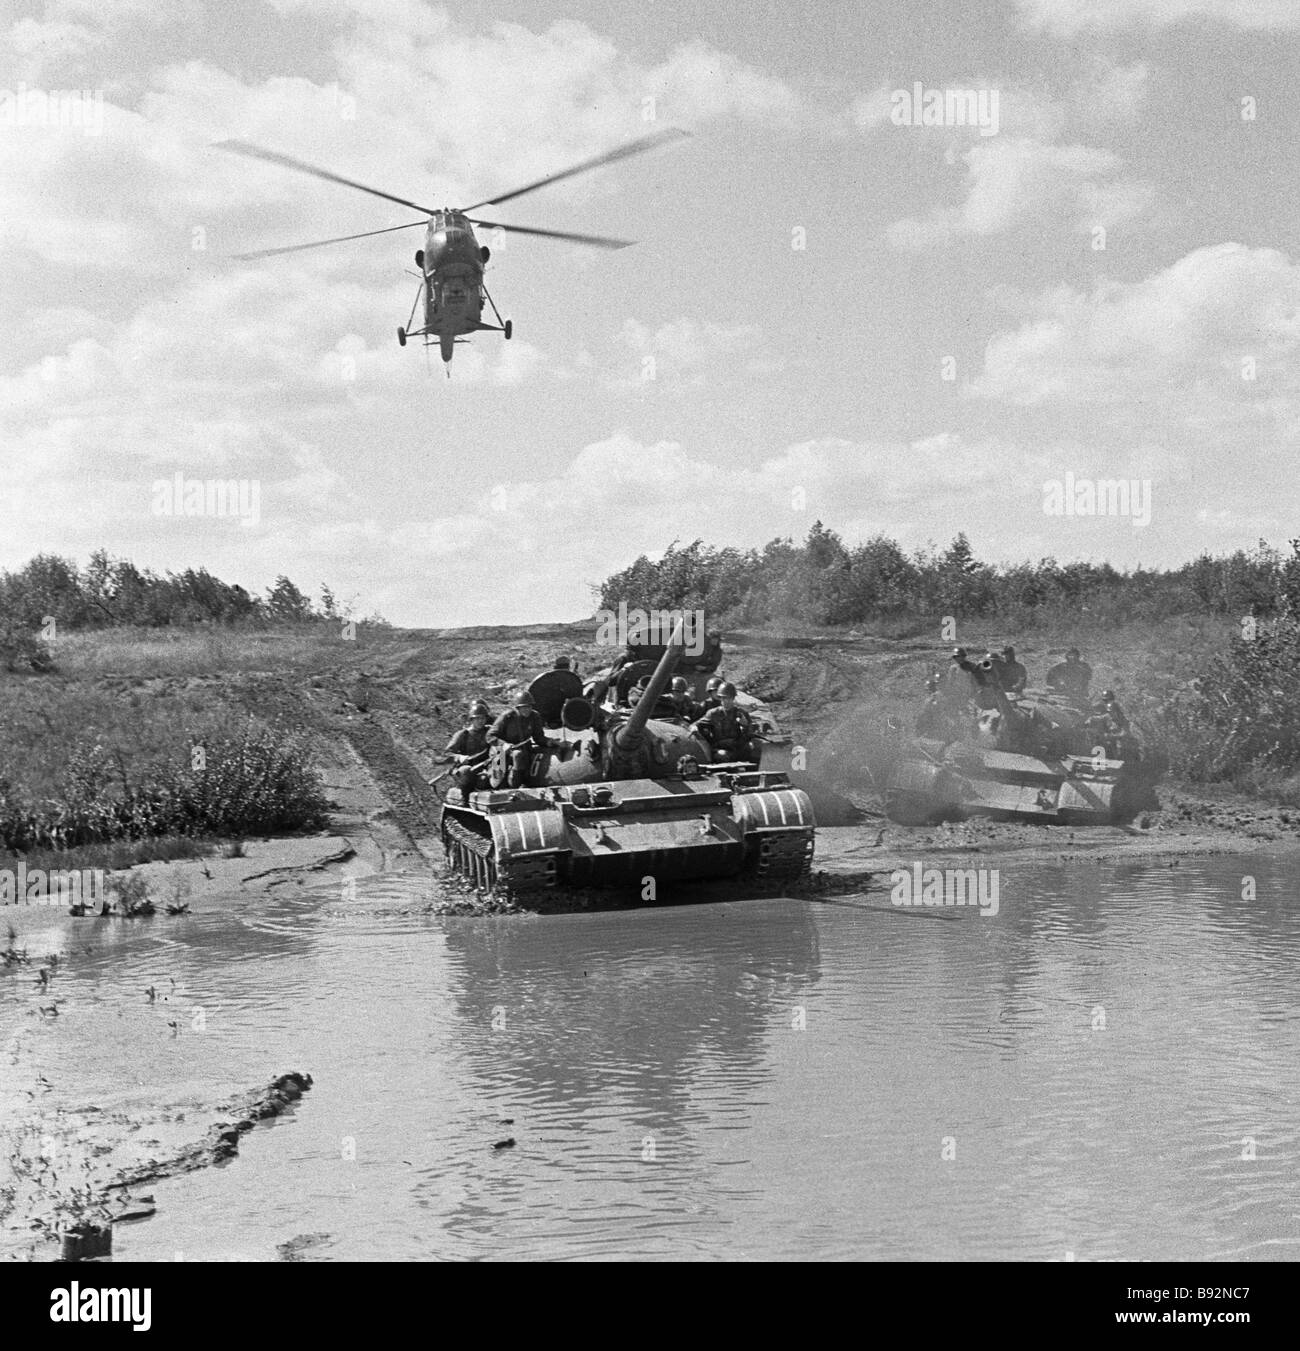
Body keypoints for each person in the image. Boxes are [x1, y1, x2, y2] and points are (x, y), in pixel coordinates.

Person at [487, 690, 557, 788]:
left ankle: (518, 784)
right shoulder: (507, 716)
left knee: (524, 757)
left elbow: (538, 737)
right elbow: (490, 736)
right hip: (502, 752)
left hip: (523, 750)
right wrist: (504, 745)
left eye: (529, 707)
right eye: (523, 707)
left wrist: (549, 742)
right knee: (502, 775)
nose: (527, 710)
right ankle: (507, 785)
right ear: (517, 708)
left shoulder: (534, 716)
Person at [691, 681, 758, 762]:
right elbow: (695, 724)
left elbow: (750, 734)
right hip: (720, 748)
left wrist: (745, 725)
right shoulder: (713, 713)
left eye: (728, 698)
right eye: (723, 698)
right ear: (720, 698)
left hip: (737, 747)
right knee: (722, 756)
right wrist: (694, 727)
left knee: (754, 749)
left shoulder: (741, 713)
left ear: (733, 698)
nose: (725, 701)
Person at [444, 702, 491, 802]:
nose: (480, 721)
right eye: (477, 718)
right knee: (466, 770)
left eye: (482, 718)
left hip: (486, 765)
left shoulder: (489, 732)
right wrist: (460, 757)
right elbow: (447, 754)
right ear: (472, 720)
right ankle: (464, 799)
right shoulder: (462, 735)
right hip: (466, 767)